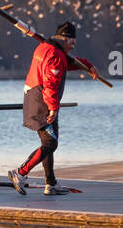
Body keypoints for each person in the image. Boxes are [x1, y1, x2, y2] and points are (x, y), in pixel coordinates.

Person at [8, 22, 97, 196]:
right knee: (50, 143)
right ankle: (20, 173)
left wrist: (87, 65)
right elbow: (50, 84)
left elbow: (65, 62)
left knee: (48, 144)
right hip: (42, 102)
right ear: (64, 39)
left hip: (34, 97)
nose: (73, 47)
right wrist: (53, 109)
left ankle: (51, 184)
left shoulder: (45, 47)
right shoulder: (56, 55)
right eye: (72, 43)